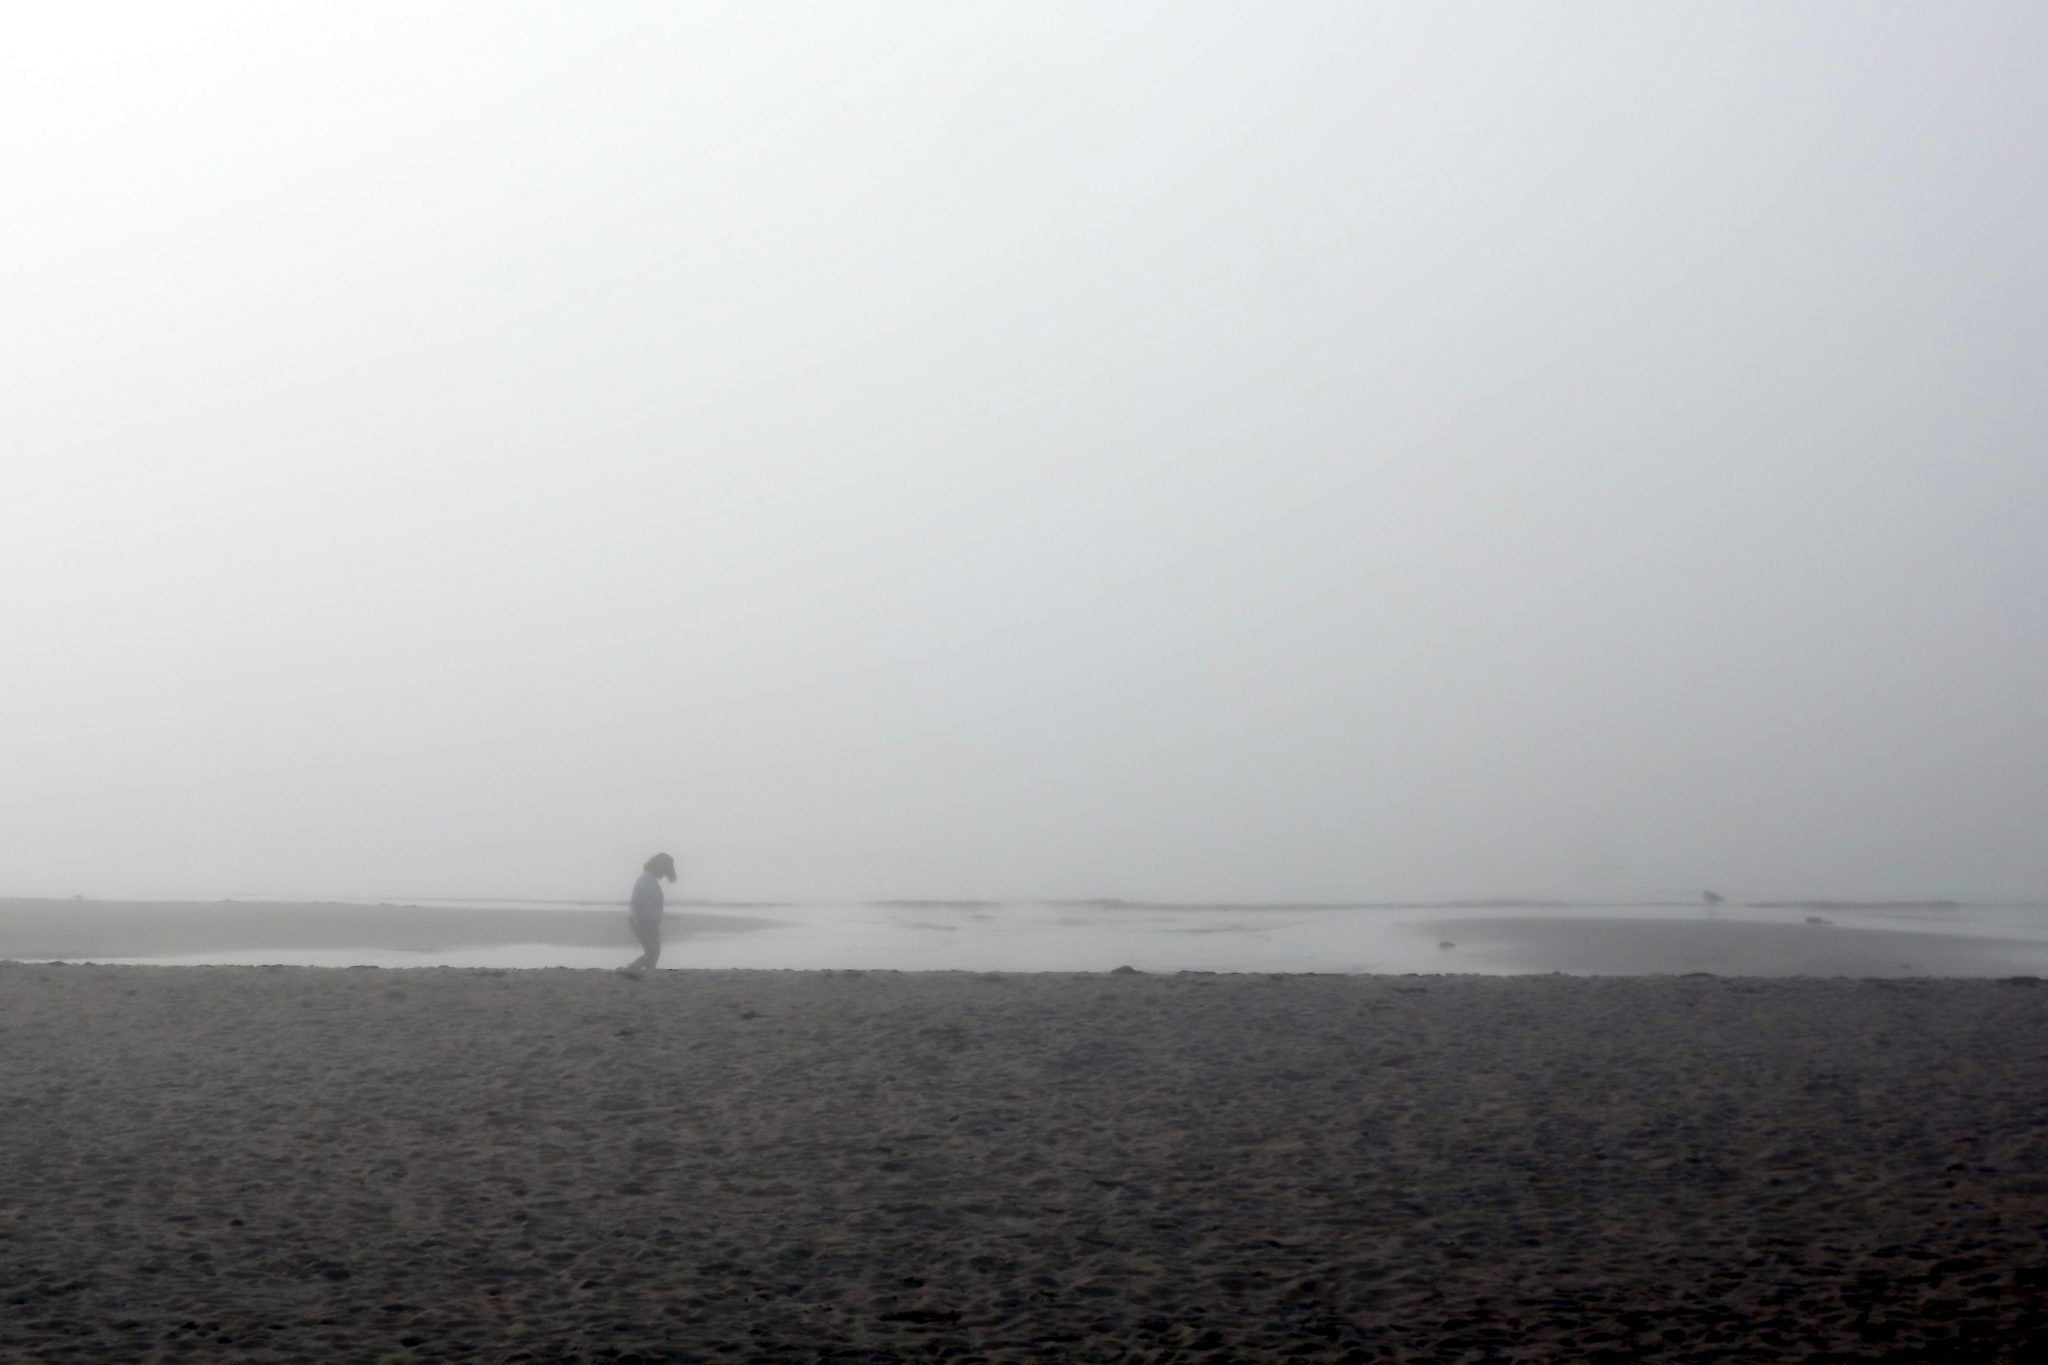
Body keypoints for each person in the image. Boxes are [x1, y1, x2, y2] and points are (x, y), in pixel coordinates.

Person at [619, 852, 677, 977]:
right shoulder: (646, 880)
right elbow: (638, 900)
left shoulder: (650, 880)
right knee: (653, 951)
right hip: (643, 921)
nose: (664, 874)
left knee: (653, 951)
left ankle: (644, 972)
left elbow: (651, 904)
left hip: (647, 921)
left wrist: (665, 916)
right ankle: (633, 969)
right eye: (664, 871)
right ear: (659, 868)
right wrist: (636, 917)